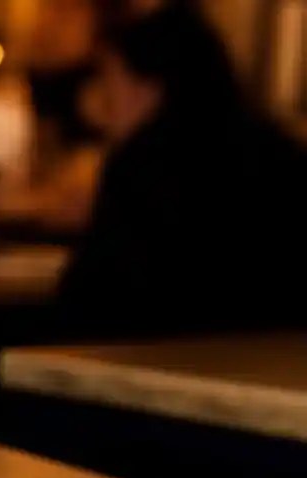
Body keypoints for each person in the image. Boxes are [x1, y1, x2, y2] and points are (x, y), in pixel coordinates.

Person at [54, 3, 307, 339]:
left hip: (142, 362)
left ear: (149, 86)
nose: (99, 104)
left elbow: (87, 299)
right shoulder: (279, 150)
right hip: (260, 363)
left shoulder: (141, 163)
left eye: (108, 82)